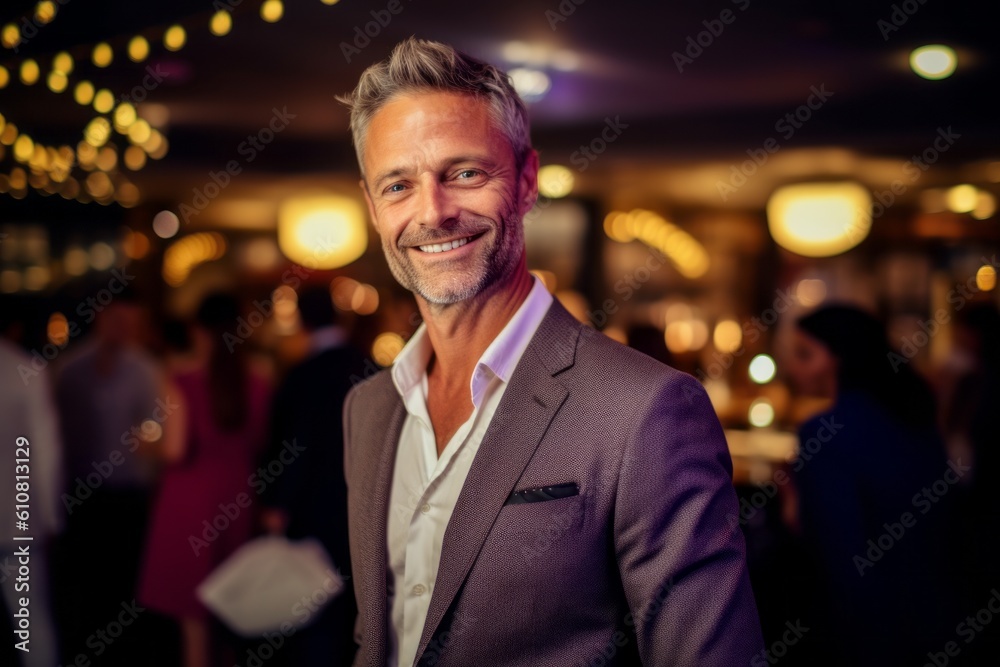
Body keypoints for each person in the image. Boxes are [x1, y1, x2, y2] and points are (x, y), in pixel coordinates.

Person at [336, 38, 763, 666]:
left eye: (465, 173)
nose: (434, 211)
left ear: (527, 181)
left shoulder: (644, 410)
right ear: (374, 208)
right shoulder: (367, 410)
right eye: (398, 185)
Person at [788, 304, 962, 666]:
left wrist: (794, 506)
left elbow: (840, 553)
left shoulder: (825, 433)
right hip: (939, 614)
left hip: (869, 632)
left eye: (805, 354)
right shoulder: (913, 415)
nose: (794, 367)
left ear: (839, 358)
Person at [137, 293, 271, 667]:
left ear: (199, 332)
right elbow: (262, 443)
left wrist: (145, 445)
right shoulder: (260, 380)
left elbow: (175, 449)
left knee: (194, 624)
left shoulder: (181, 380)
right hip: (238, 499)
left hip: (190, 503)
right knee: (230, 614)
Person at [53, 290, 163, 665]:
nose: (123, 328)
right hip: (81, 491)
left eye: (131, 322)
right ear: (101, 318)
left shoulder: (147, 369)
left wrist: (147, 442)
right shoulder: (69, 369)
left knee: (126, 579)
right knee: (83, 580)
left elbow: (157, 426)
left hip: (130, 491)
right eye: (117, 319)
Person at [259, 286, 368, 666]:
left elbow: (293, 447)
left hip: (312, 506)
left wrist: (277, 504)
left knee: (311, 608)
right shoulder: (370, 367)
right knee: (356, 606)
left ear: (302, 321)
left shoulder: (301, 376)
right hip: (365, 504)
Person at [0, 295, 63, 667]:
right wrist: (51, 515)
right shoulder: (25, 371)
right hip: (18, 520)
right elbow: (46, 451)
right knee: (31, 623)